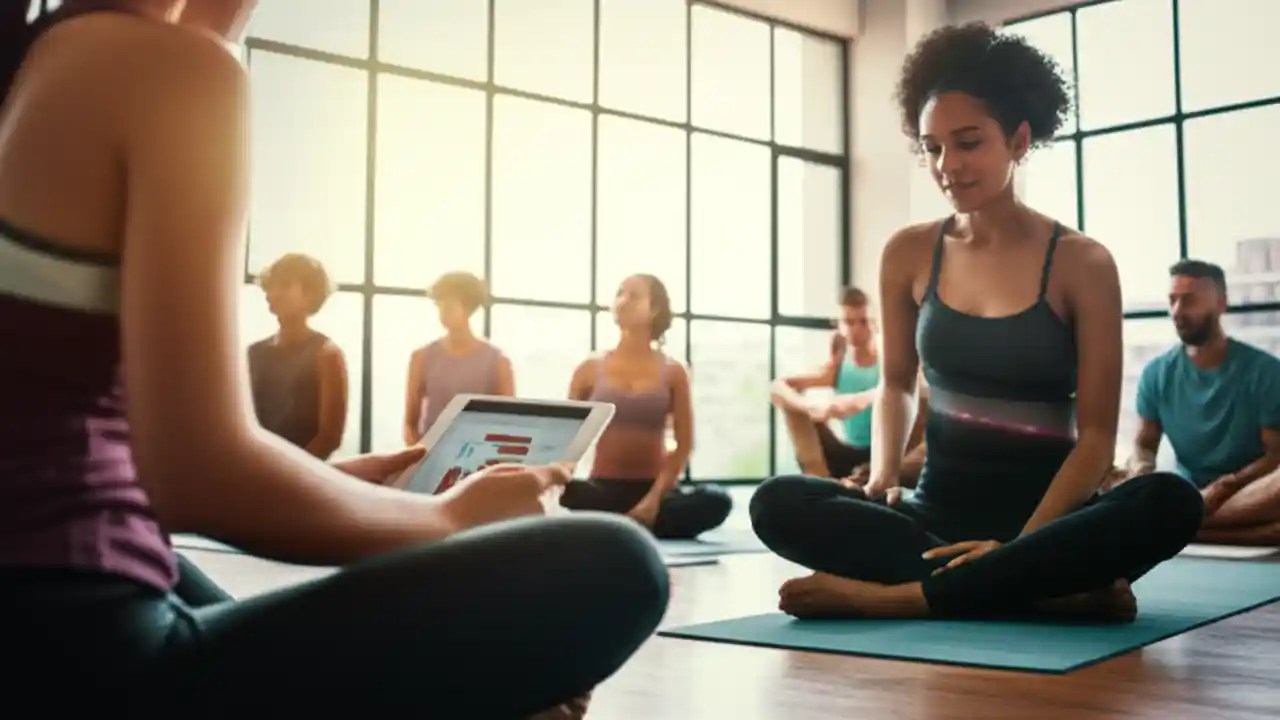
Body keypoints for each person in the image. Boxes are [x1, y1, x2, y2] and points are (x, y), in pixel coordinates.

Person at [0, 2, 667, 716]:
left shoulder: (41, 60)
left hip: (36, 609)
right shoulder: (172, 71)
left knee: (182, 572)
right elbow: (198, 479)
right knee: (615, 565)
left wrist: (331, 486)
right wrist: (450, 522)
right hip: (80, 641)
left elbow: (100, 439)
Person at [749, 22, 1203, 622]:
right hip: (933, 518)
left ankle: (900, 599)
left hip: (1049, 521)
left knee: (1170, 500)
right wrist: (884, 474)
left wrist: (1022, 546)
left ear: (1017, 140)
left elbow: (1096, 436)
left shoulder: (1082, 262)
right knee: (777, 501)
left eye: (968, 143)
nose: (947, 166)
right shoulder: (908, 253)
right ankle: (1041, 591)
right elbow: (894, 385)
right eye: (933, 147)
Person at [1119, 260, 1280, 545]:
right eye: (1173, 300)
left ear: (1221, 304)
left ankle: (1183, 527)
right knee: (1113, 480)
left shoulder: (1266, 371)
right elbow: (1144, 445)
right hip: (1190, 494)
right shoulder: (1156, 374)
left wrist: (1225, 485)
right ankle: (1235, 532)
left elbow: (1275, 456)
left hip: (1250, 491)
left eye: (1189, 300)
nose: (1178, 312)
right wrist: (1141, 474)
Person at [564, 274, 732, 539]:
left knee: (717, 499)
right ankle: (631, 525)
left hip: (656, 491)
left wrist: (653, 499)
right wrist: (558, 478)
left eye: (634, 295)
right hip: (602, 489)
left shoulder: (675, 372)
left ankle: (624, 523)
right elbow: (567, 436)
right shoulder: (589, 368)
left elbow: (684, 444)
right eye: (620, 293)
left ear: (655, 309)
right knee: (562, 493)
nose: (622, 301)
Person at [770, 286, 882, 478]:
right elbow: (777, 387)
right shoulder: (837, 365)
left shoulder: (888, 361)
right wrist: (811, 406)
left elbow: (916, 390)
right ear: (840, 325)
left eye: (863, 322)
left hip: (884, 454)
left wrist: (863, 399)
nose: (856, 329)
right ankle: (819, 480)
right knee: (792, 406)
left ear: (875, 323)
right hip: (845, 454)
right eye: (849, 322)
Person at [247, 253, 348, 459]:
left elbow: (330, 436)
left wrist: (290, 477)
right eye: (271, 285)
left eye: (285, 285)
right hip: (253, 473)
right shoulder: (253, 353)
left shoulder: (327, 354)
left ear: (310, 293)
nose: (274, 293)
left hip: (301, 477)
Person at [403, 270, 515, 445]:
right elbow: (410, 424)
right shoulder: (421, 357)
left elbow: (508, 424)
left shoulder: (498, 362)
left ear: (468, 308)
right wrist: (418, 458)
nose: (443, 314)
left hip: (480, 459)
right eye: (440, 307)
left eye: (448, 307)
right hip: (428, 458)